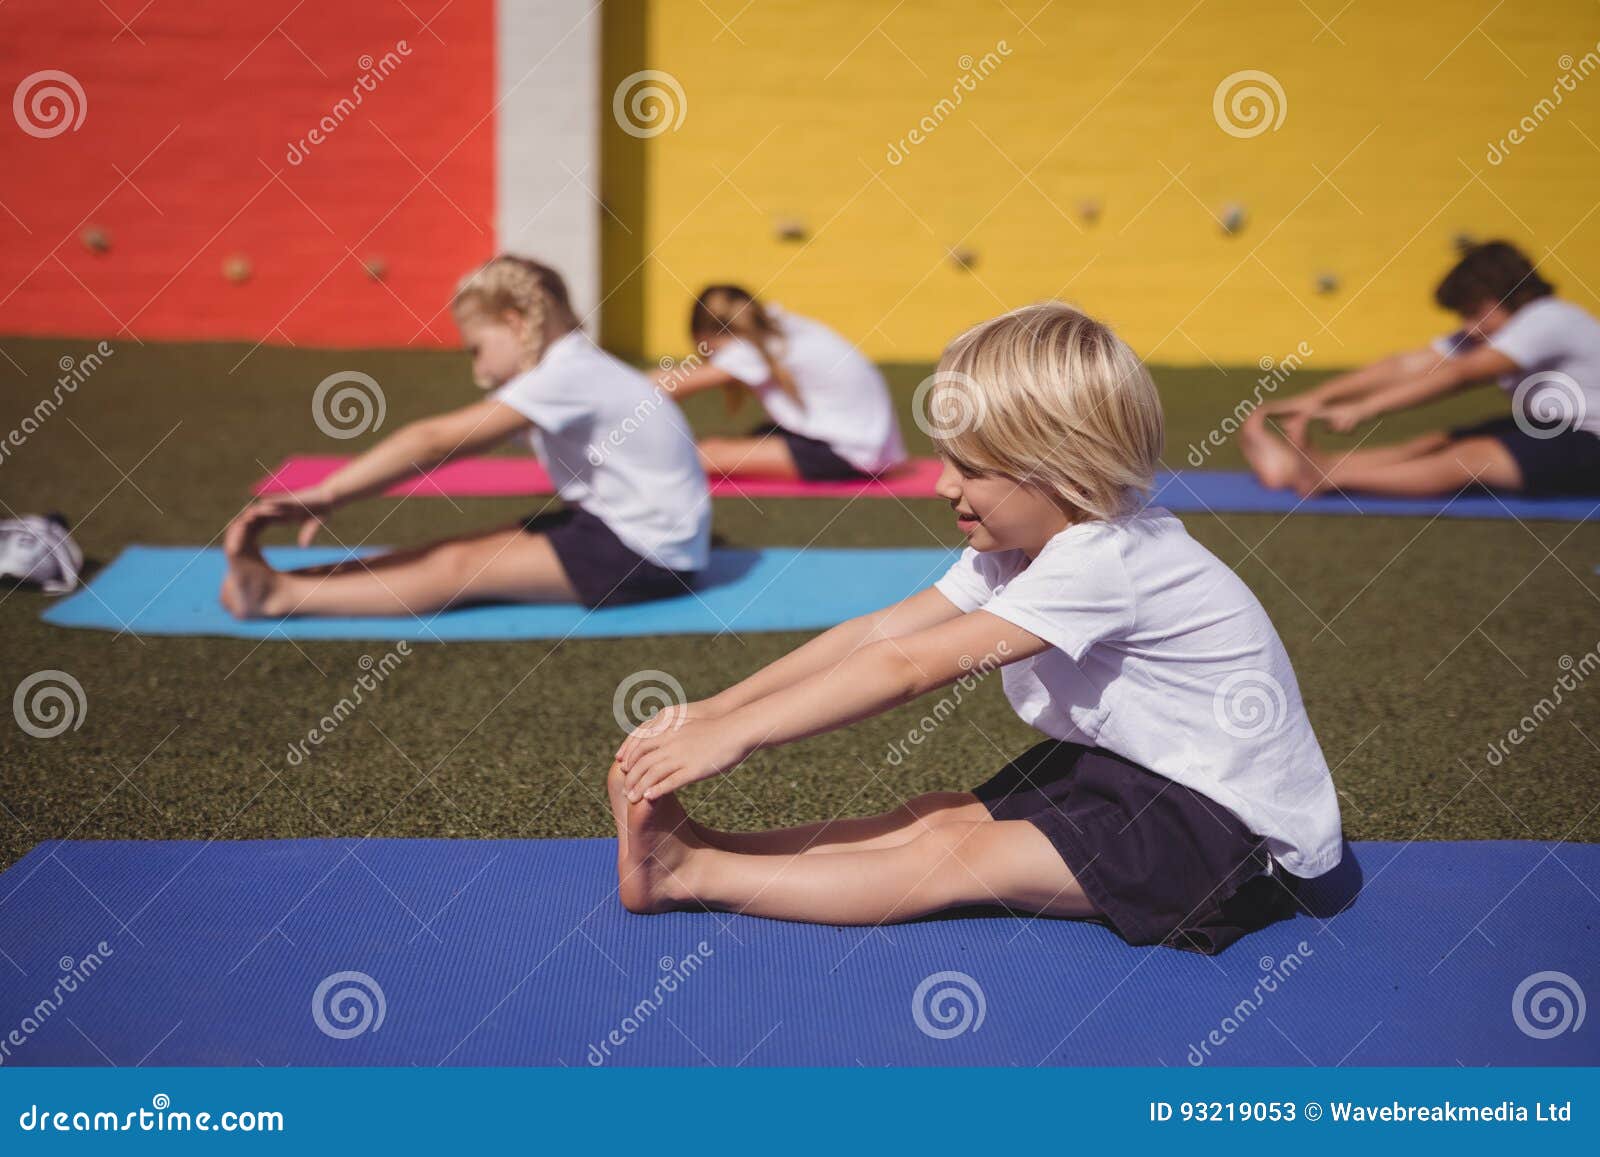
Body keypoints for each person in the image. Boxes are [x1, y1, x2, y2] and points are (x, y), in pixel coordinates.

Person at [608, 303, 1343, 954]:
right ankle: (704, 847)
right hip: (1143, 769)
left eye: (972, 468)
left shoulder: (1105, 560)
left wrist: (741, 734)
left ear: (1064, 467)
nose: (942, 484)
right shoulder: (1023, 543)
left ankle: (691, 875)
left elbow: (908, 668)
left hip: (1223, 831)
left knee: (957, 860)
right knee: (936, 819)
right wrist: (718, 709)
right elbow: (878, 633)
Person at [219, 256, 710, 618]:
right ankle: (295, 579)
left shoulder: (568, 375)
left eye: (477, 349)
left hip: (647, 556)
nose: (479, 371)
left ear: (515, 323)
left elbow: (435, 441)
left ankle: (278, 595)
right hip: (613, 525)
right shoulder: (577, 365)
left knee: (458, 566)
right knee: (453, 548)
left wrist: (330, 493)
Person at [1240, 240, 1600, 497]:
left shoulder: (1548, 318)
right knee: (1436, 442)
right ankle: (1315, 467)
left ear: (1505, 296)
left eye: (1474, 312)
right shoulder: (1503, 328)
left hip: (1591, 441)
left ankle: (1329, 478)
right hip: (1554, 429)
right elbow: (1405, 365)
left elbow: (1461, 374)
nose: (1469, 327)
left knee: (1473, 458)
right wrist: (1316, 398)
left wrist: (1364, 408)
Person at [651, 285, 907, 481]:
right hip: (870, 444)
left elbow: (666, 386)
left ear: (703, 337)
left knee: (696, 456)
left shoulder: (745, 348)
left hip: (851, 452)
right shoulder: (777, 327)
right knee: (716, 446)